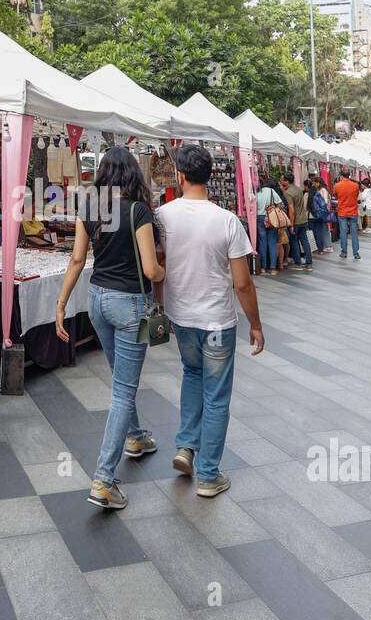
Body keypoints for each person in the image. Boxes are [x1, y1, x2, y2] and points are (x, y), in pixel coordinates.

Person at [55, 147, 164, 511]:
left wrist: (60, 304)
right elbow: (151, 270)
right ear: (133, 173)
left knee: (120, 377)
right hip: (131, 304)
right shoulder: (139, 211)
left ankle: (135, 437)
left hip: (97, 300)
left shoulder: (90, 209)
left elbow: (76, 259)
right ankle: (103, 479)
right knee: (122, 390)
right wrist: (165, 274)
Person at [156, 144, 264, 499]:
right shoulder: (227, 221)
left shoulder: (162, 217)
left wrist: (160, 308)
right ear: (208, 177)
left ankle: (186, 447)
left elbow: (157, 271)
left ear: (180, 176)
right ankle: (209, 474)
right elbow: (243, 282)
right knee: (217, 396)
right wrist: (256, 324)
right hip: (217, 321)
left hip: (181, 317)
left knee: (191, 374)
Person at [282, 172, 312, 271]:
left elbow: (291, 210)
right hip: (303, 219)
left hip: (296, 221)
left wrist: (291, 224)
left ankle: (298, 263)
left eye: (283, 179)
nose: (281, 181)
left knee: (294, 241)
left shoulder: (289, 192)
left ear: (286, 181)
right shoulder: (299, 189)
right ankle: (309, 263)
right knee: (305, 241)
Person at [255, 178, 284, 276]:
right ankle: (272, 268)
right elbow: (279, 204)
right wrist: (274, 210)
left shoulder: (257, 193)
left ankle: (263, 267)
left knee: (262, 242)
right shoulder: (272, 191)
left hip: (259, 218)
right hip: (271, 217)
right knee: (272, 242)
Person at [332, 168, 361, 261]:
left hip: (342, 212)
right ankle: (356, 253)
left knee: (343, 232)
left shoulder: (337, 186)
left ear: (341, 176)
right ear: (349, 175)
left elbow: (336, 196)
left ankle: (344, 252)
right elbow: (356, 196)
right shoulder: (355, 185)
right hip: (353, 211)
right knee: (354, 233)